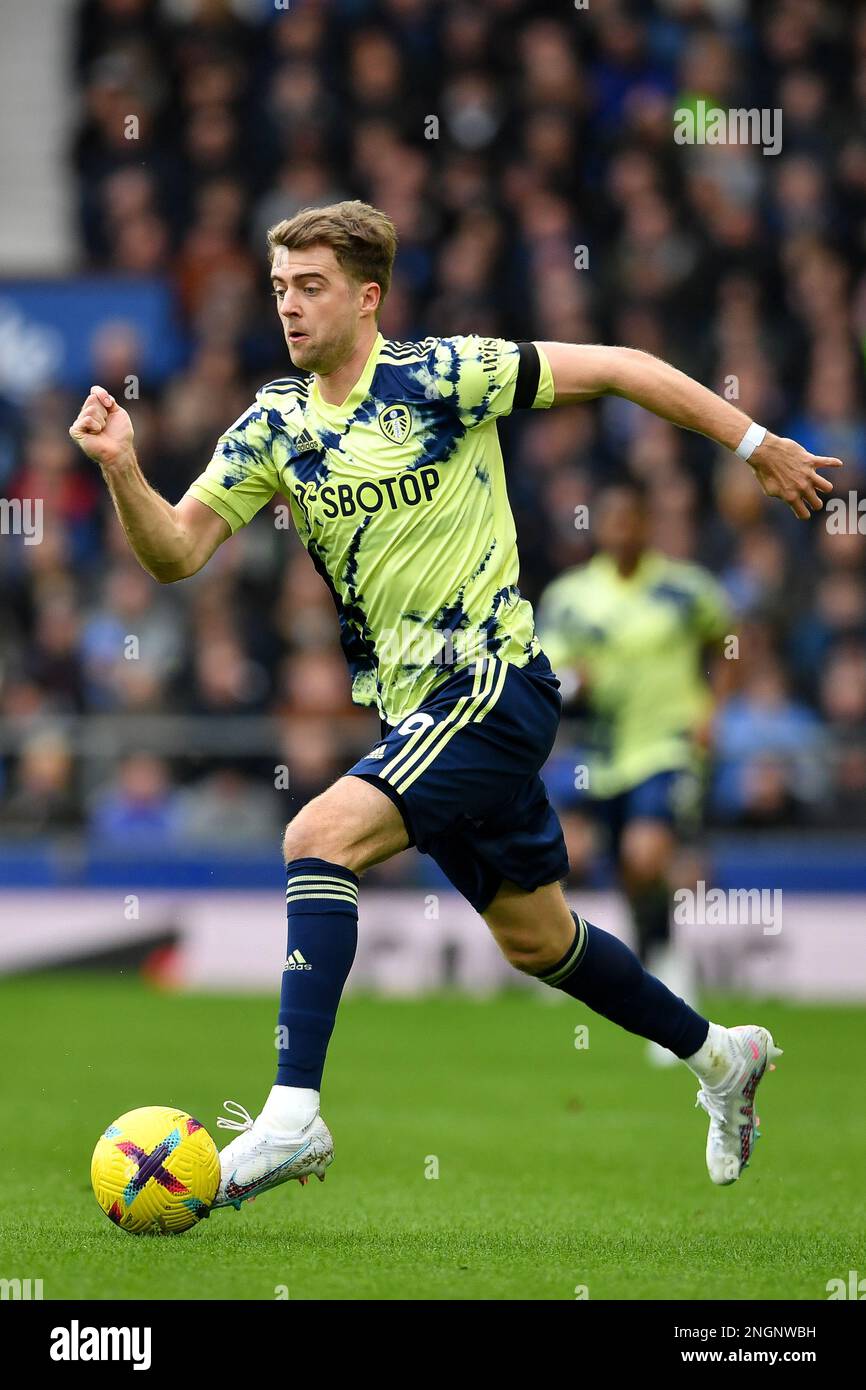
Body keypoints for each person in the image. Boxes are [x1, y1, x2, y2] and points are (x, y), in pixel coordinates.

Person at [70, 200, 839, 1204]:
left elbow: (616, 364)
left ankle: (292, 1117)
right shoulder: (274, 424)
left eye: (310, 287)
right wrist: (124, 468)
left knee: (318, 834)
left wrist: (751, 441)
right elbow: (174, 552)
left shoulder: (440, 375)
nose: (290, 308)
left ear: (366, 296)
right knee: (537, 941)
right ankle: (719, 1057)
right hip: (413, 713)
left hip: (488, 684)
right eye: (278, 289)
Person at [537, 475, 733, 1065]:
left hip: (664, 747)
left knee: (646, 855)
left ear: (648, 525)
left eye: (632, 519)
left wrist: (712, 708)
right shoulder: (571, 597)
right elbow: (550, 673)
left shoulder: (684, 589)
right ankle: (642, 966)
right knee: (596, 859)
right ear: (599, 525)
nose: (622, 530)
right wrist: (576, 683)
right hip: (601, 753)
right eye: (612, 519)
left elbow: (728, 639)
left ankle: (667, 972)